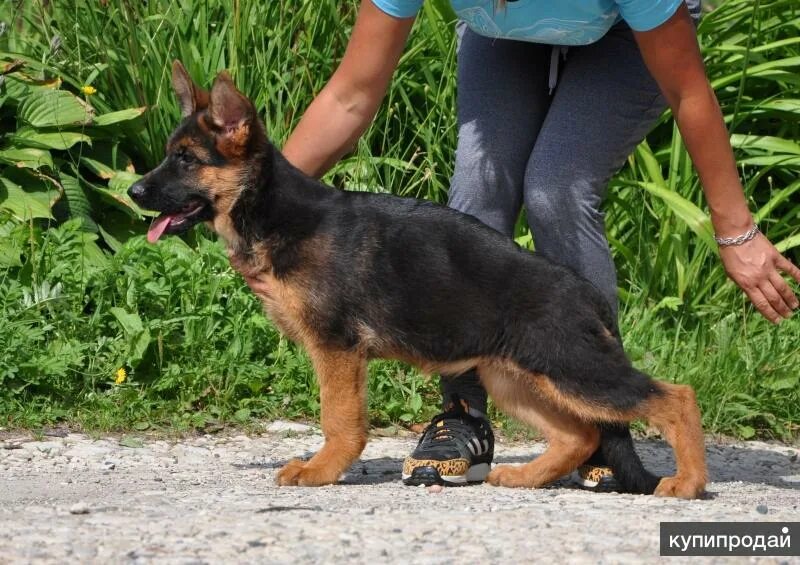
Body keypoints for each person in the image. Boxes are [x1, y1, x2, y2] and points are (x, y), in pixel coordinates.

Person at [241, 0, 800, 488]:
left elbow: (688, 91)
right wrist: (271, 216)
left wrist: (737, 232)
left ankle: (605, 417)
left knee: (557, 185)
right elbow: (351, 95)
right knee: (478, 187)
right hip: (503, 37)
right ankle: (463, 415)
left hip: (625, 38)